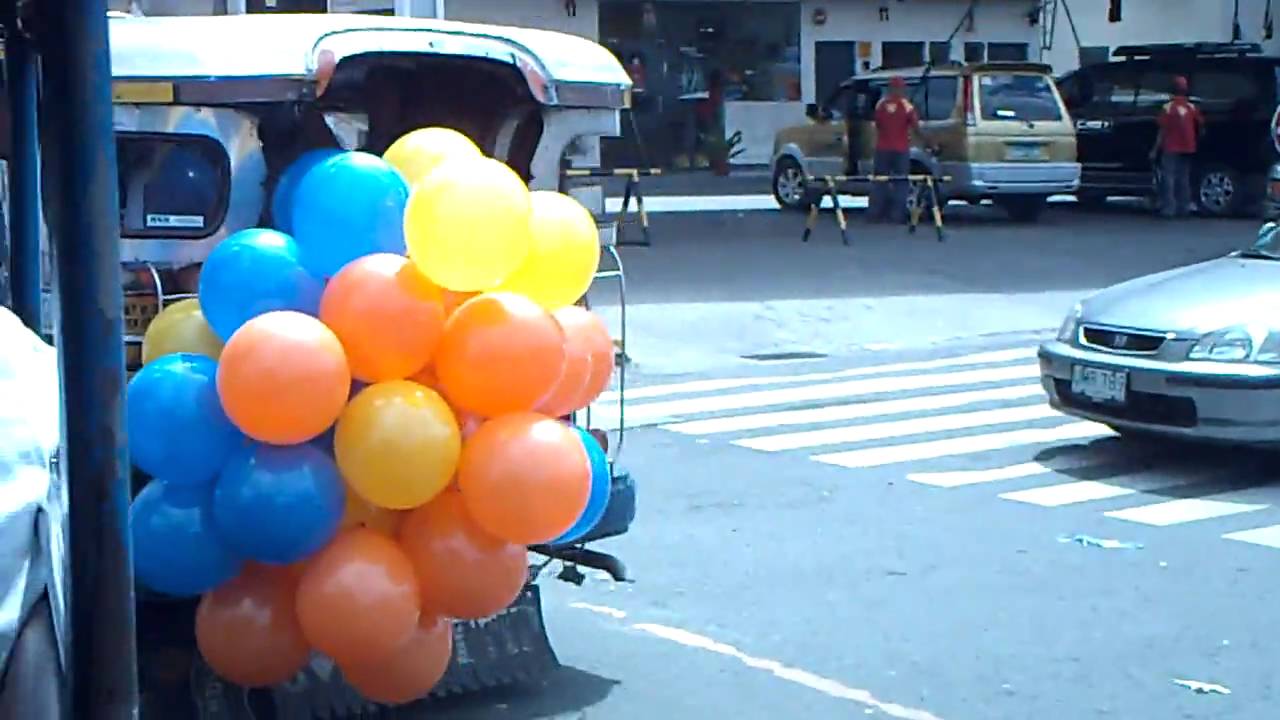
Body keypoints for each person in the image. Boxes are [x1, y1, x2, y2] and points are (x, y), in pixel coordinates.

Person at [868, 76, 921, 224]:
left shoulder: (881, 105)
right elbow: (916, 127)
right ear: (902, 89)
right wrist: (929, 143)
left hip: (882, 149)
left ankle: (875, 213)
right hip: (901, 150)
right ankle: (897, 215)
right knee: (901, 182)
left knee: (879, 182)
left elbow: (877, 124)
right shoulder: (907, 106)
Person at [1149, 75, 1204, 218]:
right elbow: (1200, 126)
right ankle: (1184, 206)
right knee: (1184, 177)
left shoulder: (1167, 108)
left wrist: (1155, 149)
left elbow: (1162, 130)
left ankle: (1169, 207)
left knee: (1168, 177)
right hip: (1188, 147)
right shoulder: (1191, 107)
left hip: (1171, 146)